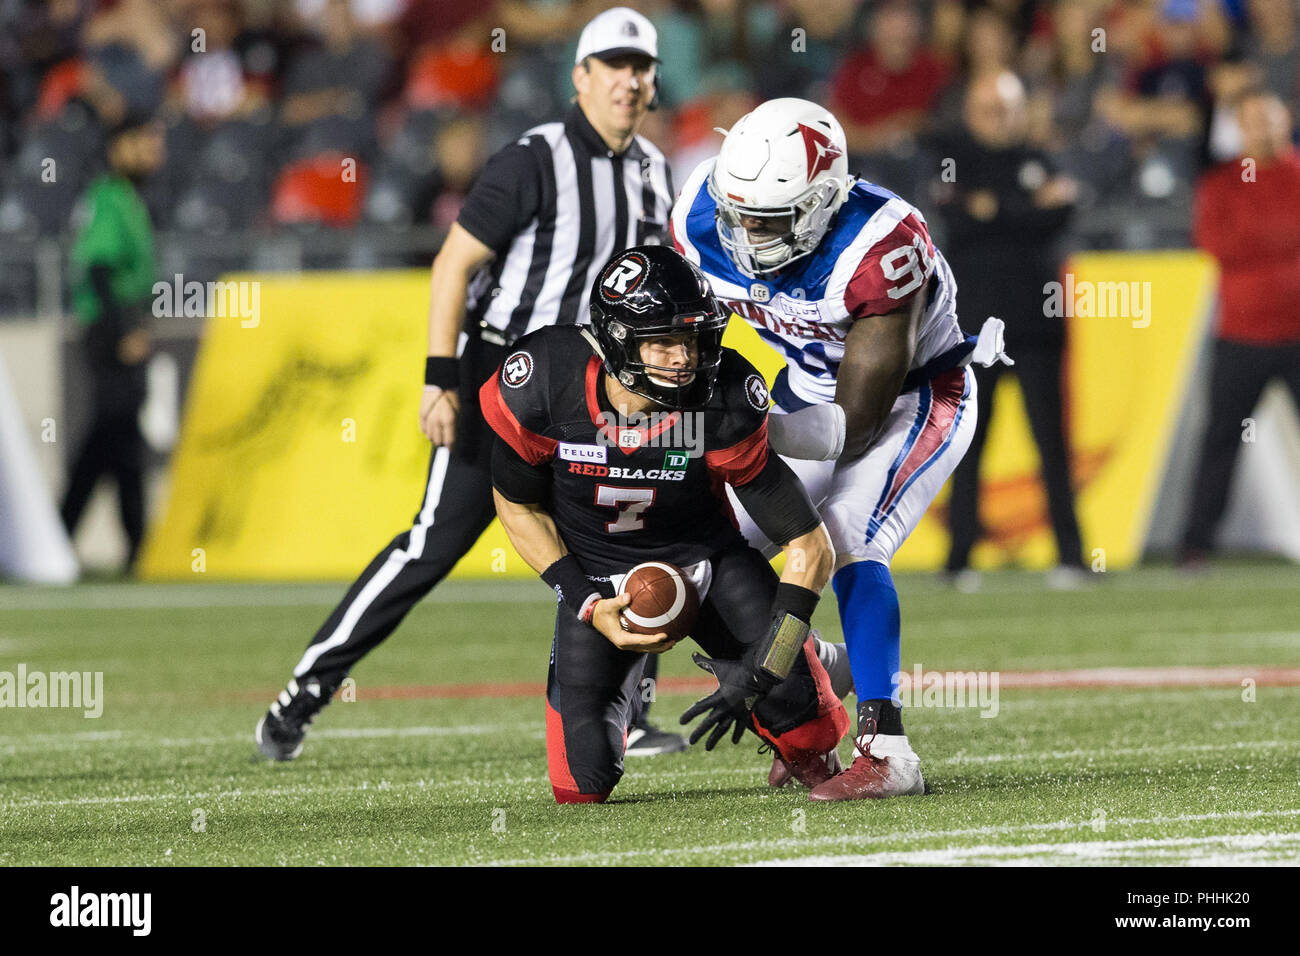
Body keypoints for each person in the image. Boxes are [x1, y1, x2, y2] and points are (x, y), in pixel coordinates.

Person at [257, 7, 682, 760]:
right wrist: (439, 381)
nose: (628, 82)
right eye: (612, 67)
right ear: (580, 77)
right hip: (505, 380)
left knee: (631, 535)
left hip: (592, 395)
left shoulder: (654, 172)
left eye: (640, 69)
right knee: (432, 546)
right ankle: (301, 696)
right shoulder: (534, 158)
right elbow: (453, 264)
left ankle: (631, 712)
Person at [672, 97, 1011, 800]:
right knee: (710, 545)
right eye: (741, 217)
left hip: (914, 397)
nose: (747, 235)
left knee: (851, 534)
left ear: (822, 201)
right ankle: (810, 693)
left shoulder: (881, 248)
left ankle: (889, 751)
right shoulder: (701, 215)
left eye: (769, 220)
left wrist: (742, 432)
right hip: (802, 386)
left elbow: (854, 425)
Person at [482, 246, 849, 802]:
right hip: (600, 578)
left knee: (811, 737)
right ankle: (631, 690)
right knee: (581, 786)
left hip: (710, 563)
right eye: (664, 341)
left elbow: (809, 544)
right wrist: (583, 600)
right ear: (616, 339)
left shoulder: (722, 398)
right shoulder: (543, 383)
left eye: (695, 338)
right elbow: (517, 505)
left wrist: (763, 670)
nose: (685, 357)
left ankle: (812, 661)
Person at [933, 70, 1087, 589]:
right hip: (977, 328)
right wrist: (1024, 208)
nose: (999, 119)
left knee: (1052, 441)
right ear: (971, 112)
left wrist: (994, 209)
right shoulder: (955, 157)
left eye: (1007, 109)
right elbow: (956, 220)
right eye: (989, 109)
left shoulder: (1043, 156)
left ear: (1023, 111)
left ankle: (1071, 555)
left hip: (1038, 322)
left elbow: (1061, 213)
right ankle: (959, 559)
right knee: (969, 440)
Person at [1179, 87, 1300, 563]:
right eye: (1251, 120)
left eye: (1269, 118)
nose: (1262, 129)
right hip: (1242, 334)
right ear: (1238, 127)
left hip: (1294, 333)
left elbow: (1236, 242)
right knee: (1220, 441)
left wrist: (1258, 240)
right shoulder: (1221, 183)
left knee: (1221, 440)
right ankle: (1196, 546)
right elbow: (1215, 243)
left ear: (1285, 120)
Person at [60, 116, 163, 572]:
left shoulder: (126, 198)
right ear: (119, 146)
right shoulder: (110, 197)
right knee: (115, 438)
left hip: (119, 324)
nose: (155, 150)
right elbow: (99, 269)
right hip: (110, 327)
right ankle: (128, 544)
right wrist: (124, 330)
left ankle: (71, 540)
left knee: (113, 440)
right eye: (146, 140)